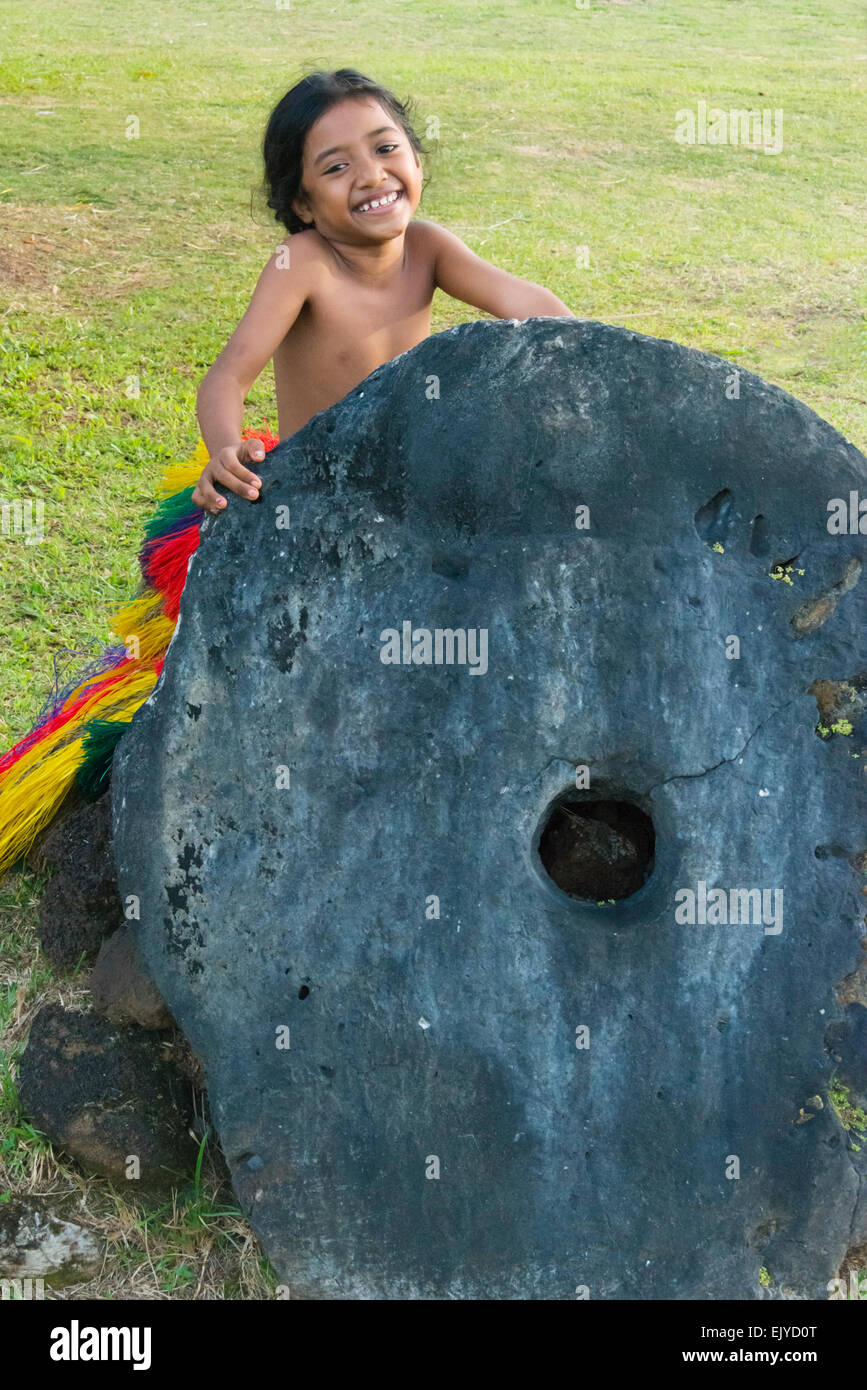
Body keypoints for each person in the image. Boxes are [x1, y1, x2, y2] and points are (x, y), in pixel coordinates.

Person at [192, 66, 574, 516]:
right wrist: (225, 450)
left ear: (416, 160)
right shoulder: (303, 262)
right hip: (321, 490)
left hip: (408, 478)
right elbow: (228, 377)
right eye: (337, 166)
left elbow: (531, 306)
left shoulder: (428, 246)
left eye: (386, 148)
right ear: (302, 203)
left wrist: (590, 354)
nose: (372, 175)